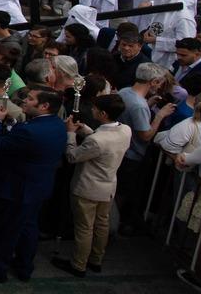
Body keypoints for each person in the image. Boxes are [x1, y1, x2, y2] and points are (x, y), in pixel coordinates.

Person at [0, 88, 69, 283]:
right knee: (29, 227)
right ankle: (24, 266)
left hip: (17, 188)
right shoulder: (58, 125)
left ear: (44, 106)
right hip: (39, 186)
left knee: (6, 230)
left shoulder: (28, 130)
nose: (25, 101)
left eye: (30, 99)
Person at [53, 93, 132, 278]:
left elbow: (73, 156)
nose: (93, 110)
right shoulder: (125, 130)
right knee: (101, 225)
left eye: (95, 109)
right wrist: (85, 130)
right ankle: (96, 259)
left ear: (103, 113)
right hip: (108, 186)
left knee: (84, 228)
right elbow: (104, 143)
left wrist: (71, 134)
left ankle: (79, 264)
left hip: (87, 188)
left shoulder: (97, 140)